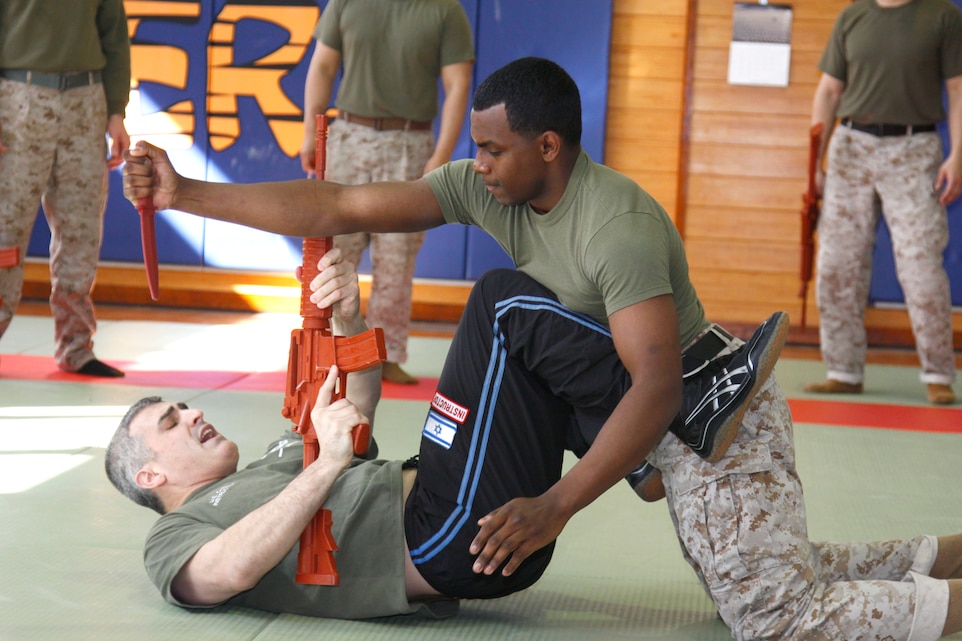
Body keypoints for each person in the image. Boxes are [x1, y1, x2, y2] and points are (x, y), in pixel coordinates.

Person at [106, 250, 962, 639]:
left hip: (458, 494)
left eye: (186, 405)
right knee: (501, 306)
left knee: (528, 349)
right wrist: (328, 461)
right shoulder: (172, 539)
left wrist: (352, 317)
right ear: (150, 473)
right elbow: (227, 575)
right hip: (445, 539)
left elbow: (356, 405)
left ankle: (646, 437)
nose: (192, 415)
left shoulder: (267, 463)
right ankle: (672, 411)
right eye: (171, 423)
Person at [124, 56, 788, 506]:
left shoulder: (616, 226)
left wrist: (553, 508)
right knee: (517, 329)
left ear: (549, 148)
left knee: (771, 613)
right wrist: (184, 192)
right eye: (478, 146)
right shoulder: (485, 188)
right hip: (622, 405)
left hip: (706, 412)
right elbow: (340, 204)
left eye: (495, 149)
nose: (480, 164)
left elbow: (658, 382)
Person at [298, 0, 475, 385]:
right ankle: (320, 344)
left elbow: (458, 84)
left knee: (397, 260)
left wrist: (441, 155)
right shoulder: (346, 2)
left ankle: (386, 355)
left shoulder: (445, 10)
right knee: (331, 252)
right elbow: (323, 65)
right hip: (348, 135)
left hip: (410, 142)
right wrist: (312, 130)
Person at [807, 0, 962, 405]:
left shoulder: (942, 15)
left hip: (915, 148)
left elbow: (958, 88)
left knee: (920, 262)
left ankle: (938, 373)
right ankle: (842, 370)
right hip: (850, 147)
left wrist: (957, 154)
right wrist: (814, 163)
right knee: (837, 262)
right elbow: (828, 90)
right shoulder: (852, 16)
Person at [0, 0, 131, 378]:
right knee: (5, 232)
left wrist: (116, 112)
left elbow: (114, 35)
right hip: (16, 98)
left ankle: (76, 347)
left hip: (86, 99)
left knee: (81, 229)